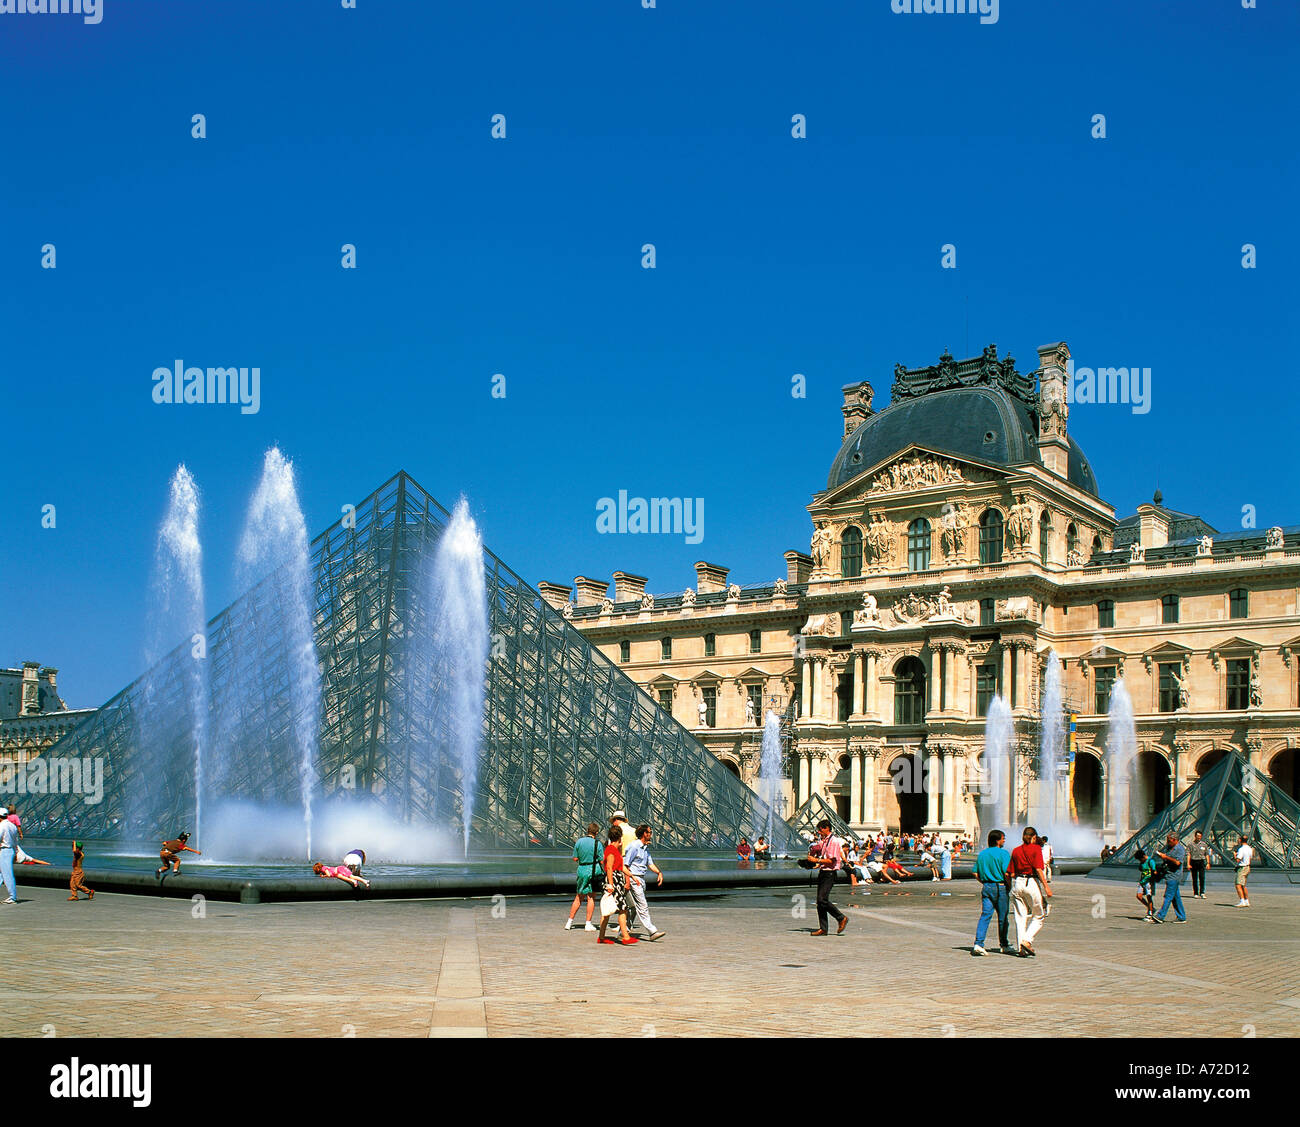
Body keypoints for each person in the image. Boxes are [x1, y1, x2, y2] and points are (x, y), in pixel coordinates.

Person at [1007, 826, 1052, 956]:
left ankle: (1021, 949)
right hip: (1030, 883)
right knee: (1039, 915)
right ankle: (1027, 941)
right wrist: (1046, 887)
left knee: (1020, 917)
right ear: (1033, 837)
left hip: (1018, 883)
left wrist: (1010, 887)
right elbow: (1038, 869)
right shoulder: (1036, 849)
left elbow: (1010, 872)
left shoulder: (1015, 850)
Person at [971, 830, 1012, 955]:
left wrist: (984, 882)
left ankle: (978, 944)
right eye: (1003, 838)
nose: (1004, 840)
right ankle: (1004, 944)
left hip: (987, 887)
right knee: (1003, 918)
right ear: (998, 840)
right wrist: (1009, 886)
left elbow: (975, 872)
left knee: (985, 916)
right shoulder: (1004, 853)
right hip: (1000, 887)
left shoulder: (982, 854)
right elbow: (1006, 873)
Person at [806, 819, 848, 936]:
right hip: (823, 871)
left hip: (830, 873)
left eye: (820, 830)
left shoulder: (833, 841)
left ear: (826, 828)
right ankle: (823, 928)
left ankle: (841, 918)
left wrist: (817, 860)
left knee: (822, 899)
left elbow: (832, 860)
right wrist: (814, 862)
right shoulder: (824, 841)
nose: (819, 832)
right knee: (820, 902)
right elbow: (824, 856)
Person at [625, 823, 665, 941]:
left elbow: (650, 864)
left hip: (641, 878)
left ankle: (625, 930)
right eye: (650, 832)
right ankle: (652, 931)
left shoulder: (645, 848)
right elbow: (625, 865)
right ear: (644, 834)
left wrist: (659, 873)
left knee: (633, 907)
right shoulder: (634, 846)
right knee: (642, 905)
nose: (651, 835)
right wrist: (629, 880)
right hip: (634, 878)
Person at [598, 826, 637, 945]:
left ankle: (602, 937)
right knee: (623, 908)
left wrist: (631, 876)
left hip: (616, 879)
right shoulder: (610, 850)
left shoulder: (614, 850)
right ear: (620, 837)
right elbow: (609, 867)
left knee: (609, 911)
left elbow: (621, 867)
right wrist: (610, 884)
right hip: (614, 880)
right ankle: (625, 936)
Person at [566, 821, 601, 931]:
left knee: (578, 897)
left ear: (587, 831)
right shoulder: (597, 843)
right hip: (593, 871)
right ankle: (588, 923)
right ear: (597, 832)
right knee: (591, 897)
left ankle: (569, 922)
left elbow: (575, 858)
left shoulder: (579, 842)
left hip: (581, 870)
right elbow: (601, 860)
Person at [1151, 832, 1187, 924]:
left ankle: (1161, 916)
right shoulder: (1169, 848)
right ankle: (1181, 916)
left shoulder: (1180, 849)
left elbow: (1178, 863)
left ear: (1175, 840)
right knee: (1175, 897)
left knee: (1168, 896)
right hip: (1168, 874)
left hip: (1174, 876)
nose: (1167, 842)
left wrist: (1166, 857)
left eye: (1169, 840)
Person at [1135, 848, 1159, 921]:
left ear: (1142, 857)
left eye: (1140, 859)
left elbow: (1155, 872)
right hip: (1142, 881)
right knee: (1139, 896)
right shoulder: (1142, 863)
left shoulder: (1151, 861)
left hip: (1149, 882)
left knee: (1149, 897)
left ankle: (1150, 913)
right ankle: (1151, 908)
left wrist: (1152, 877)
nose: (1140, 861)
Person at [0, 809, 17, 904]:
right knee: (2, 874)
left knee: (7, 875)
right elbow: (15, 841)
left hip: (4, 850)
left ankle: (12, 897)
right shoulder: (12, 826)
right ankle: (12, 896)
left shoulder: (2, 826)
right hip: (11, 850)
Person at [1186, 831, 1210, 898]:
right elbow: (1188, 854)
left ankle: (1202, 892)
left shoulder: (1204, 844)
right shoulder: (1191, 844)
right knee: (1194, 878)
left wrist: (1208, 863)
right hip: (1193, 861)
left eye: (1200, 836)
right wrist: (1188, 864)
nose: (1199, 837)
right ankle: (1195, 893)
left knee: (1202, 877)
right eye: (1197, 836)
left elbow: (1207, 854)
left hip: (1201, 861)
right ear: (1195, 836)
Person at [1234, 835, 1253, 907]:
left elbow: (1238, 859)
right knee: (1243, 885)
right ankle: (1246, 900)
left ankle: (1242, 901)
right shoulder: (1249, 848)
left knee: (1238, 885)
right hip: (1247, 867)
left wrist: (1235, 855)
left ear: (1241, 840)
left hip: (1242, 868)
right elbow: (1251, 857)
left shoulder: (1241, 849)